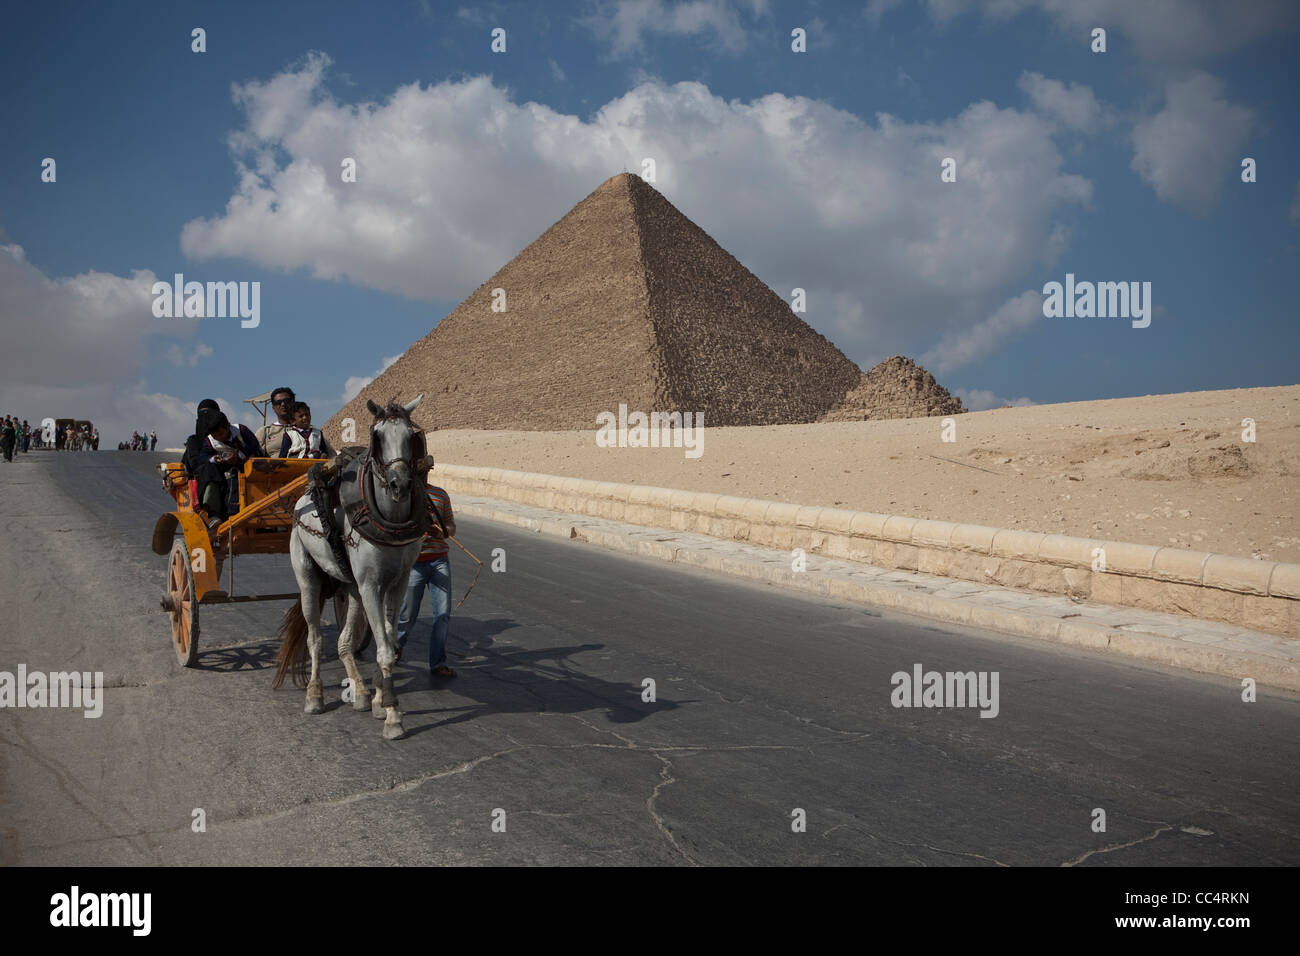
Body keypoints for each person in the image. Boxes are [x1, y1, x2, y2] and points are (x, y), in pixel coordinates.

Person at [395, 479, 457, 677]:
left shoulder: (440, 495)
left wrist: (442, 532)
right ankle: (396, 644)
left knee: (443, 615)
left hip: (440, 561)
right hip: (414, 564)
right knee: (408, 614)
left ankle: (438, 663)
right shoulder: (403, 498)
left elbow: (451, 526)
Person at [195, 409, 264, 528]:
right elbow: (202, 457)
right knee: (231, 477)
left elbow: (254, 445)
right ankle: (231, 512)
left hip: (250, 466)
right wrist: (214, 459)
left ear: (228, 426)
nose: (219, 438)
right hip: (227, 471)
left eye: (221, 434)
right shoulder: (209, 441)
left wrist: (239, 456)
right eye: (215, 436)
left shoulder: (241, 430)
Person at [256, 387, 298, 458]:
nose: (283, 404)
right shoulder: (265, 432)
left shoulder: (307, 430)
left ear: (293, 402)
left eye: (286, 401)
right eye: (278, 402)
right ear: (273, 407)